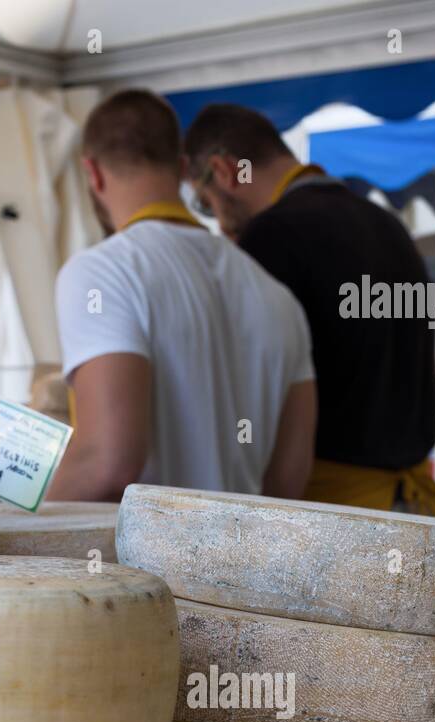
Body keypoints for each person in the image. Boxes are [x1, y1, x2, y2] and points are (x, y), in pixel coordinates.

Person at [47, 89, 317, 502]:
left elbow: (108, 465)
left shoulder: (102, 272)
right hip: (244, 562)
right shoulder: (276, 294)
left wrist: (2, 518)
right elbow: (287, 482)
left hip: (144, 566)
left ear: (93, 174)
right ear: (182, 168)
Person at [182, 104, 435, 514]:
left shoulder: (272, 237)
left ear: (226, 171)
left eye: (205, 202)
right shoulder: (388, 226)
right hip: (412, 506)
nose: (217, 220)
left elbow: (256, 389)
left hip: (332, 515)